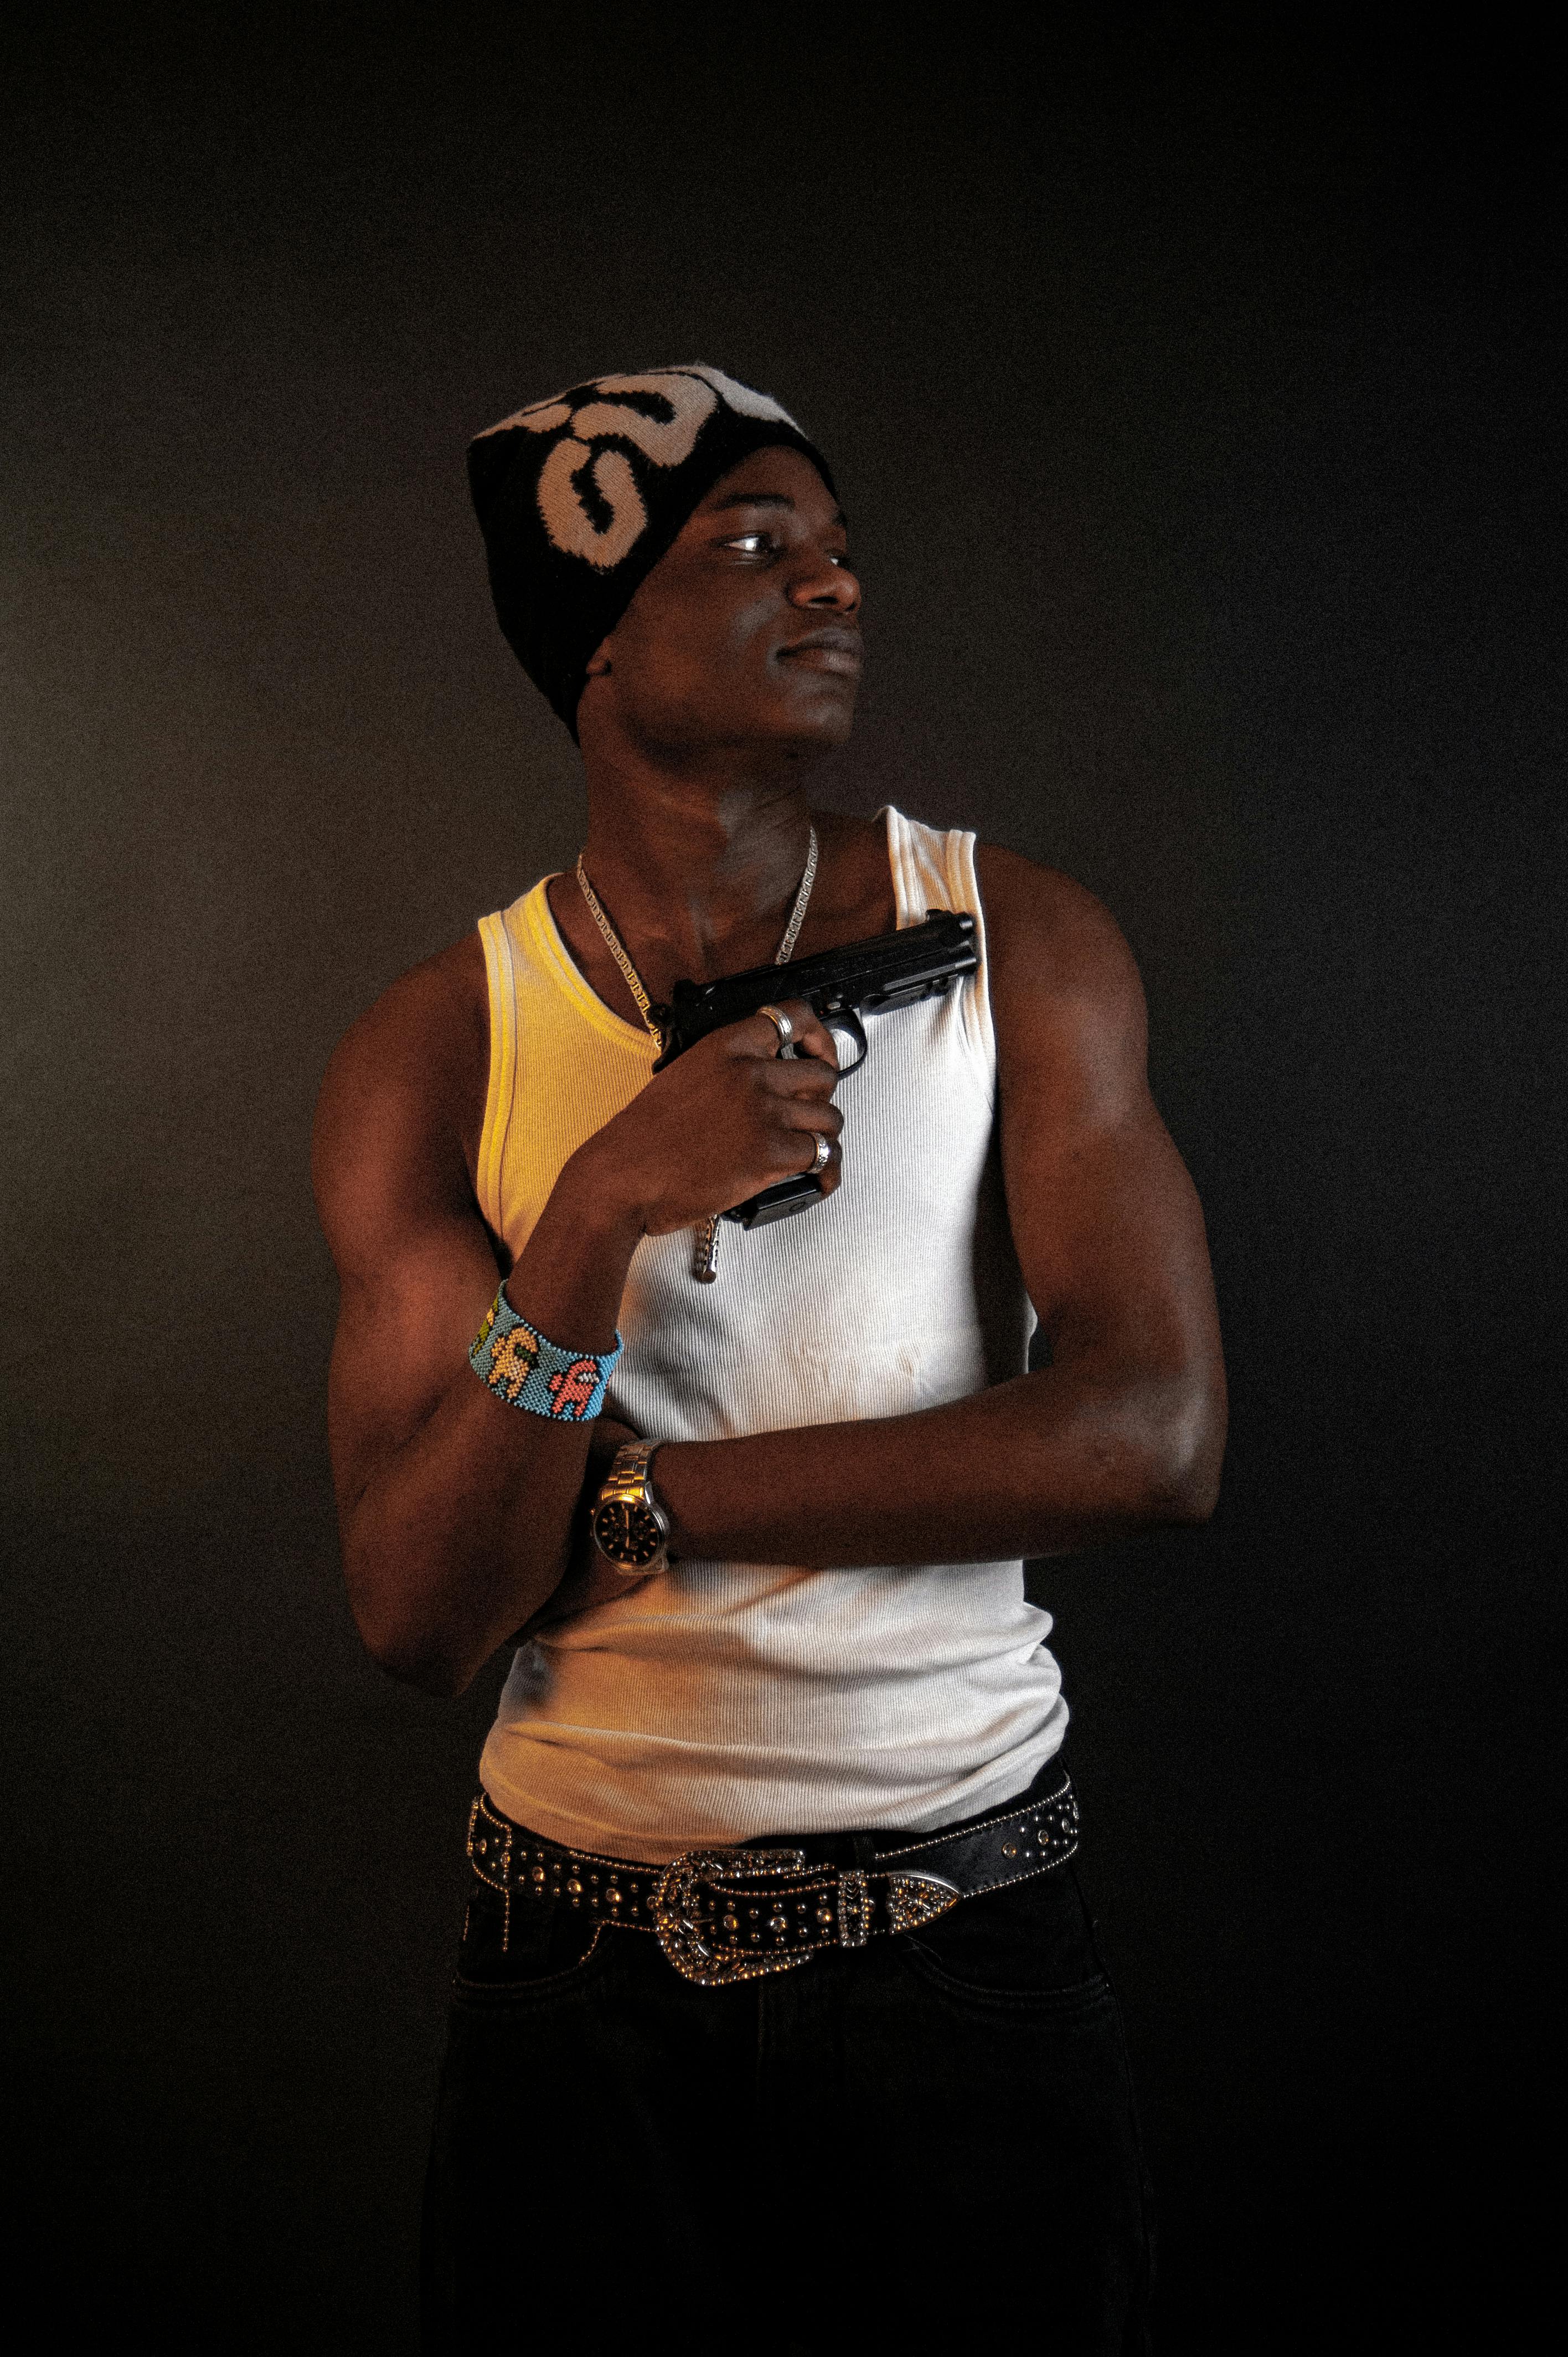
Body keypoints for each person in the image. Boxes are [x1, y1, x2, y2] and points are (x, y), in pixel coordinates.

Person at [312, 364, 1226, 2353]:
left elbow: (1152, 1437)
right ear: (599, 638)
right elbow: (420, 1611)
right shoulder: (442, 1044)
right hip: (576, 1981)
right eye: (754, 545)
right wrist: (597, 1213)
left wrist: (646, 1505)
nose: (834, 586)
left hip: (965, 1941)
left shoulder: (1015, 939)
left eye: (838, 548)